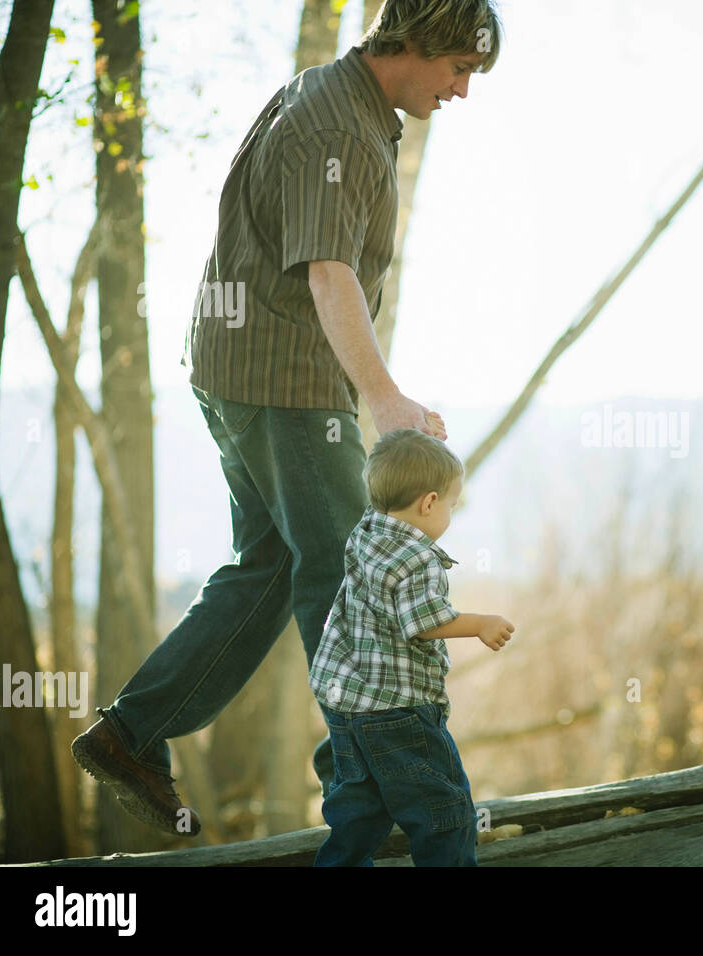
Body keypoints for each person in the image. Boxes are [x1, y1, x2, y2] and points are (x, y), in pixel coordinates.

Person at [71, 0, 504, 838]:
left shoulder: (342, 101)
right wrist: (385, 401)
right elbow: (328, 274)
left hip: (248, 372)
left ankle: (131, 735)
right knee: (354, 580)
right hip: (284, 380)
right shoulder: (336, 123)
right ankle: (368, 795)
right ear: (410, 41)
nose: (461, 91)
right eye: (457, 69)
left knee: (271, 568)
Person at [310, 428, 514, 866]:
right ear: (428, 503)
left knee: (361, 807)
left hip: (345, 699)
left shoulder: (367, 528)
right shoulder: (420, 559)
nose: (451, 513)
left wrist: (411, 446)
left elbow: (392, 478)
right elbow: (423, 623)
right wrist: (481, 624)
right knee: (446, 810)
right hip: (398, 710)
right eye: (452, 504)